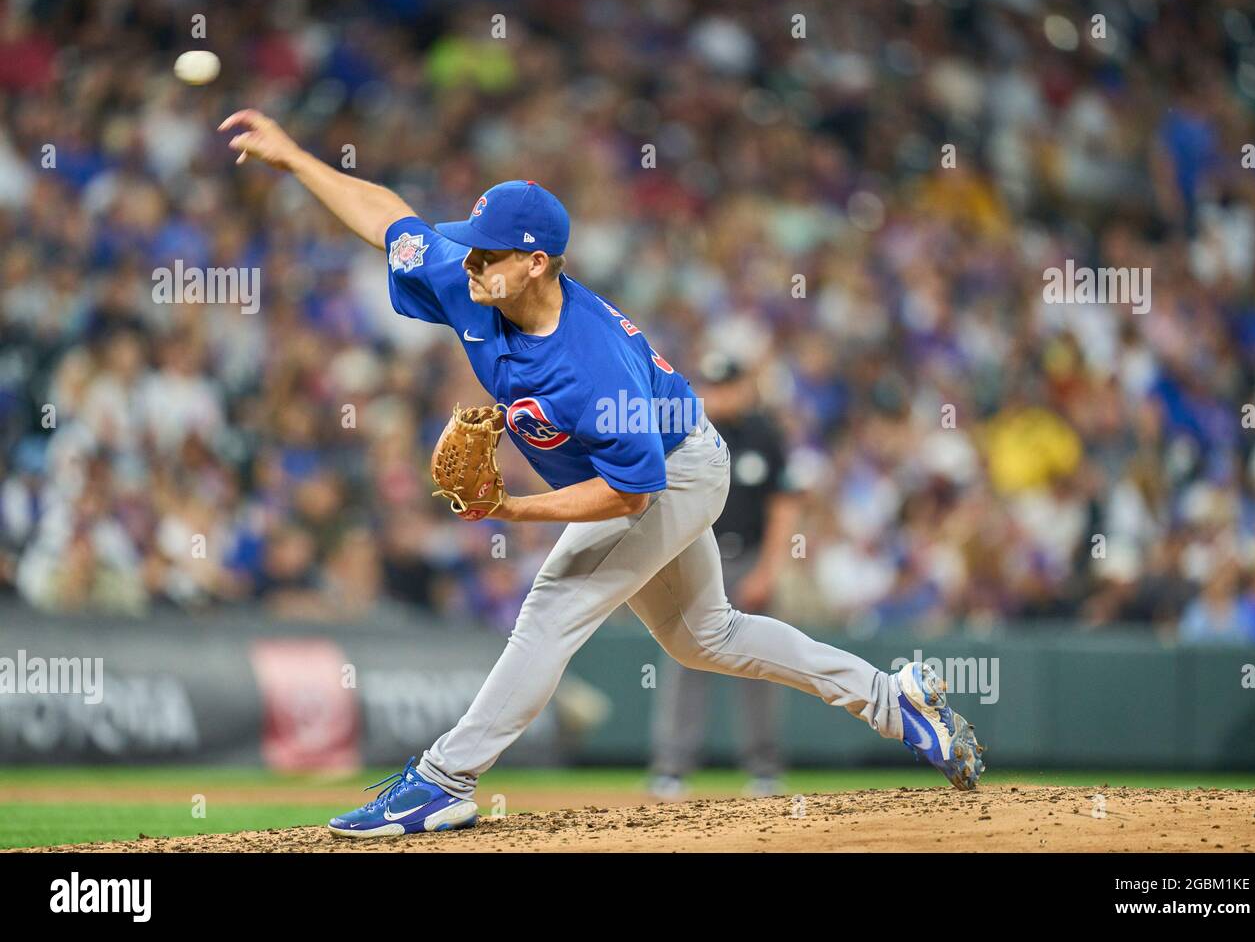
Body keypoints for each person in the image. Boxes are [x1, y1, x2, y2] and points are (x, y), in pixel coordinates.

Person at [218, 109, 985, 839]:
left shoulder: (590, 367)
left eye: (489, 252)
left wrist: (513, 512)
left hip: (676, 470)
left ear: (537, 262)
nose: (471, 261)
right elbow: (388, 220)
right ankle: (898, 702)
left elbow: (632, 491)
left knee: (552, 606)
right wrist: (293, 158)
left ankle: (443, 782)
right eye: (472, 246)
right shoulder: (474, 278)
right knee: (706, 637)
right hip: (661, 466)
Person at [648, 352, 800, 799]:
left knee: (763, 663)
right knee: (684, 659)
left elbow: (785, 505)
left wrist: (769, 569)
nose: (717, 395)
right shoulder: (686, 435)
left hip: (749, 558)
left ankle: (765, 767)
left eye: (725, 386)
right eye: (709, 388)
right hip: (697, 556)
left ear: (742, 387)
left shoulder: (763, 434)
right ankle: (672, 767)